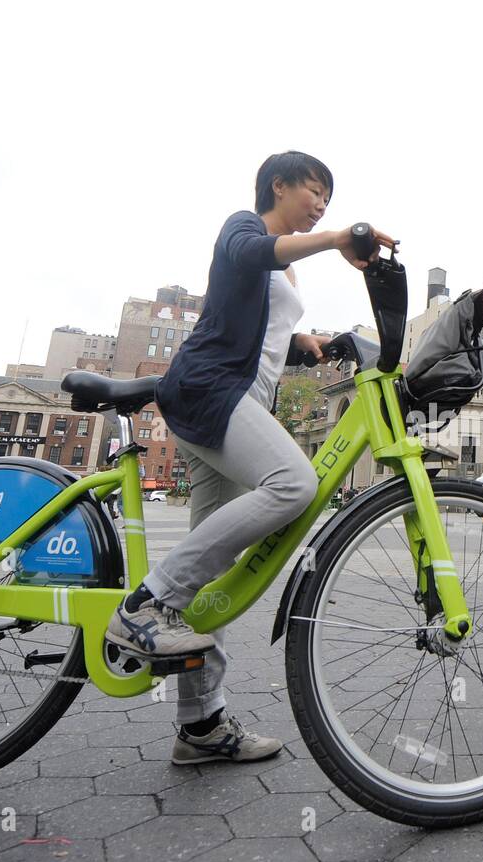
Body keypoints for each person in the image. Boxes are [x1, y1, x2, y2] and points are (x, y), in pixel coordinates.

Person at [104, 151, 395, 764]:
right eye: (314, 191)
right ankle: (143, 606)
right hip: (209, 391)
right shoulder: (245, 229)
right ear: (278, 185)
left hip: (235, 405)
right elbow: (246, 257)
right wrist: (336, 238)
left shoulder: (284, 272)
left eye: (329, 200)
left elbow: (263, 338)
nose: (321, 204)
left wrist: (310, 344)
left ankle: (200, 725)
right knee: (295, 483)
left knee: (212, 575)